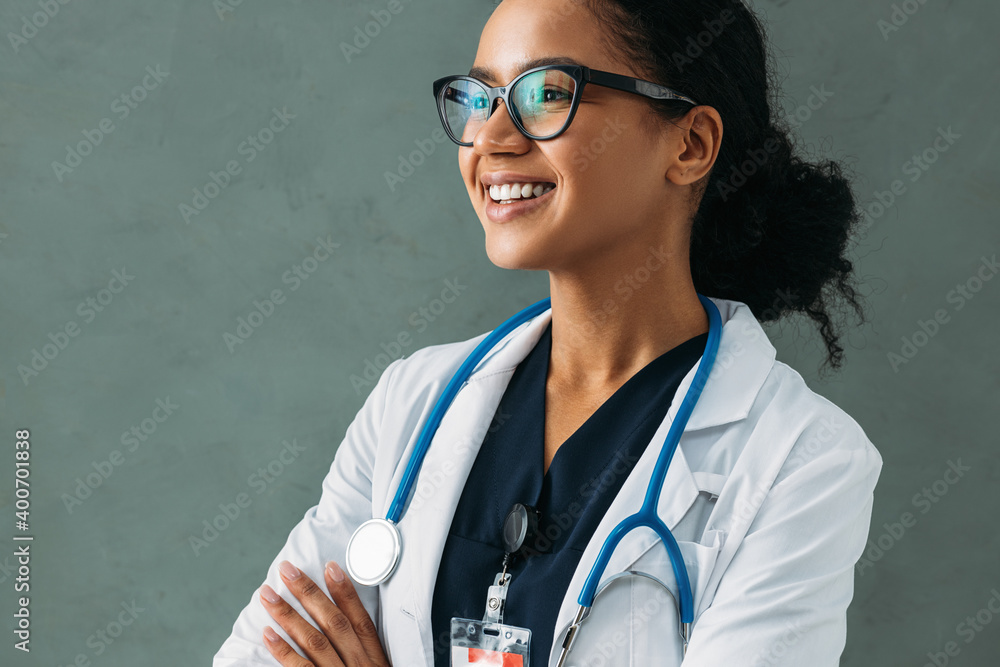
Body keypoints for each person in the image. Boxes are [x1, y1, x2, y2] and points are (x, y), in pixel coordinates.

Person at [213, 0, 883, 665]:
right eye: (479, 98)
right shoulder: (413, 401)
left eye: (546, 93)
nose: (491, 137)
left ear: (690, 144)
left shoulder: (802, 459)